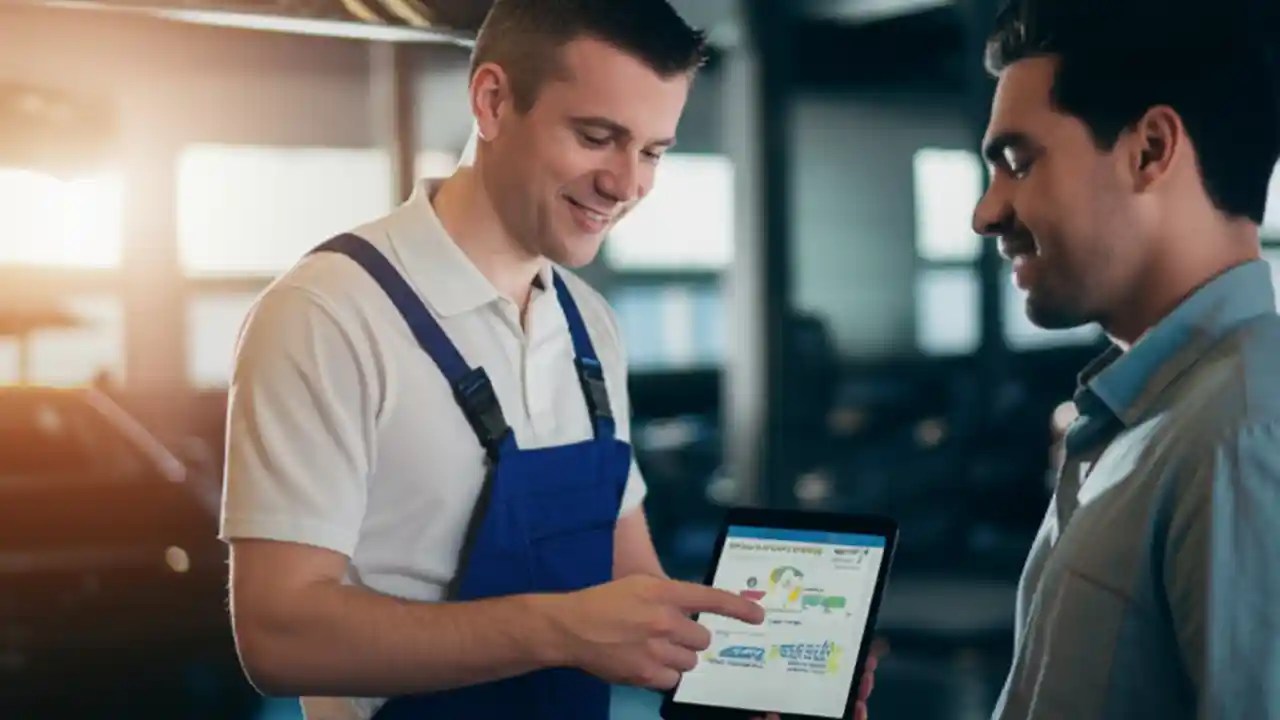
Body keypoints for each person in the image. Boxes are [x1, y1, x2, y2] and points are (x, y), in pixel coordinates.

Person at [220, 1, 877, 719]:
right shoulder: (328, 314)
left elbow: (631, 583)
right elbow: (277, 637)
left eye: (654, 151)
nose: (627, 185)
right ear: (493, 101)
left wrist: (760, 674)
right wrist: (560, 630)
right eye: (598, 137)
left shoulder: (590, 326)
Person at [972, 1, 1280, 718]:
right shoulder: (1148, 423)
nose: (986, 212)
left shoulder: (1241, 436)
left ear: (1149, 150)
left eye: (1018, 163)